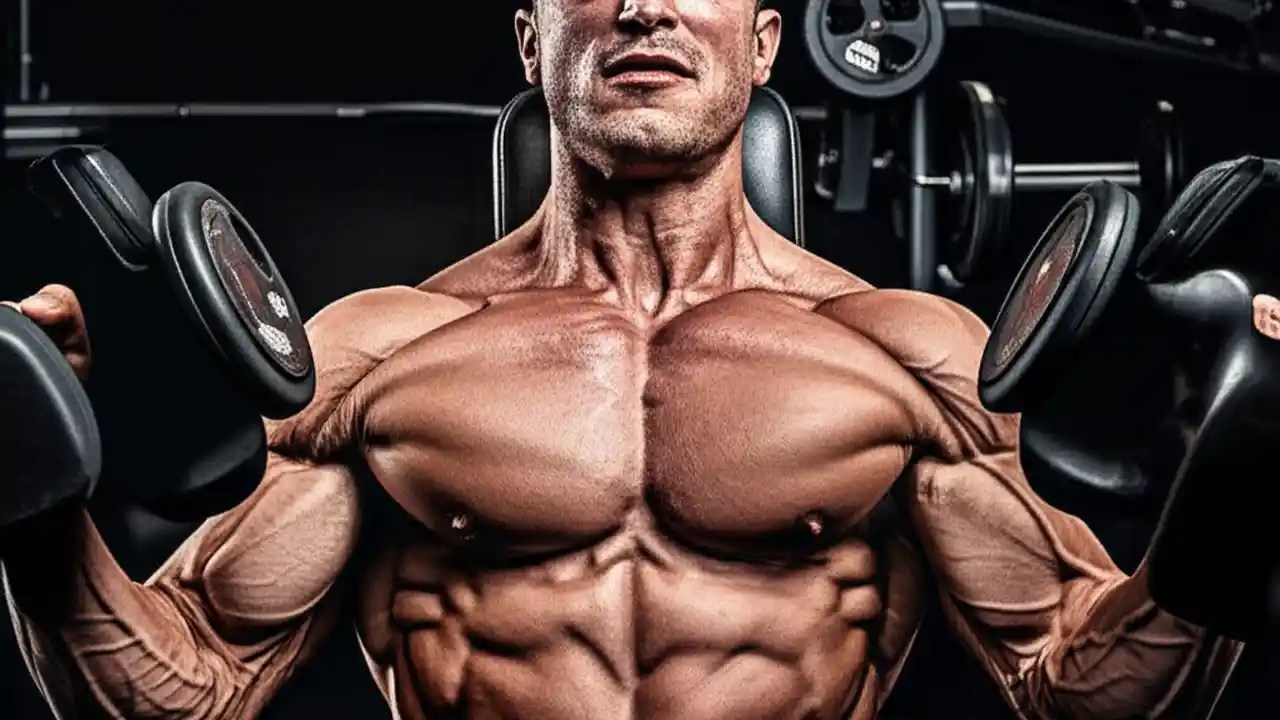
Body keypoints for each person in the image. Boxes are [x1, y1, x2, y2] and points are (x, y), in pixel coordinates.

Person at [0, 1, 1246, 718]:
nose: (643, 3)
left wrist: (1243, 486)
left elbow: (1074, 688)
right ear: (530, 40)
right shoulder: (374, 358)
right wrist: (29, 484)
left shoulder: (908, 359)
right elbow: (192, 690)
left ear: (762, 44)